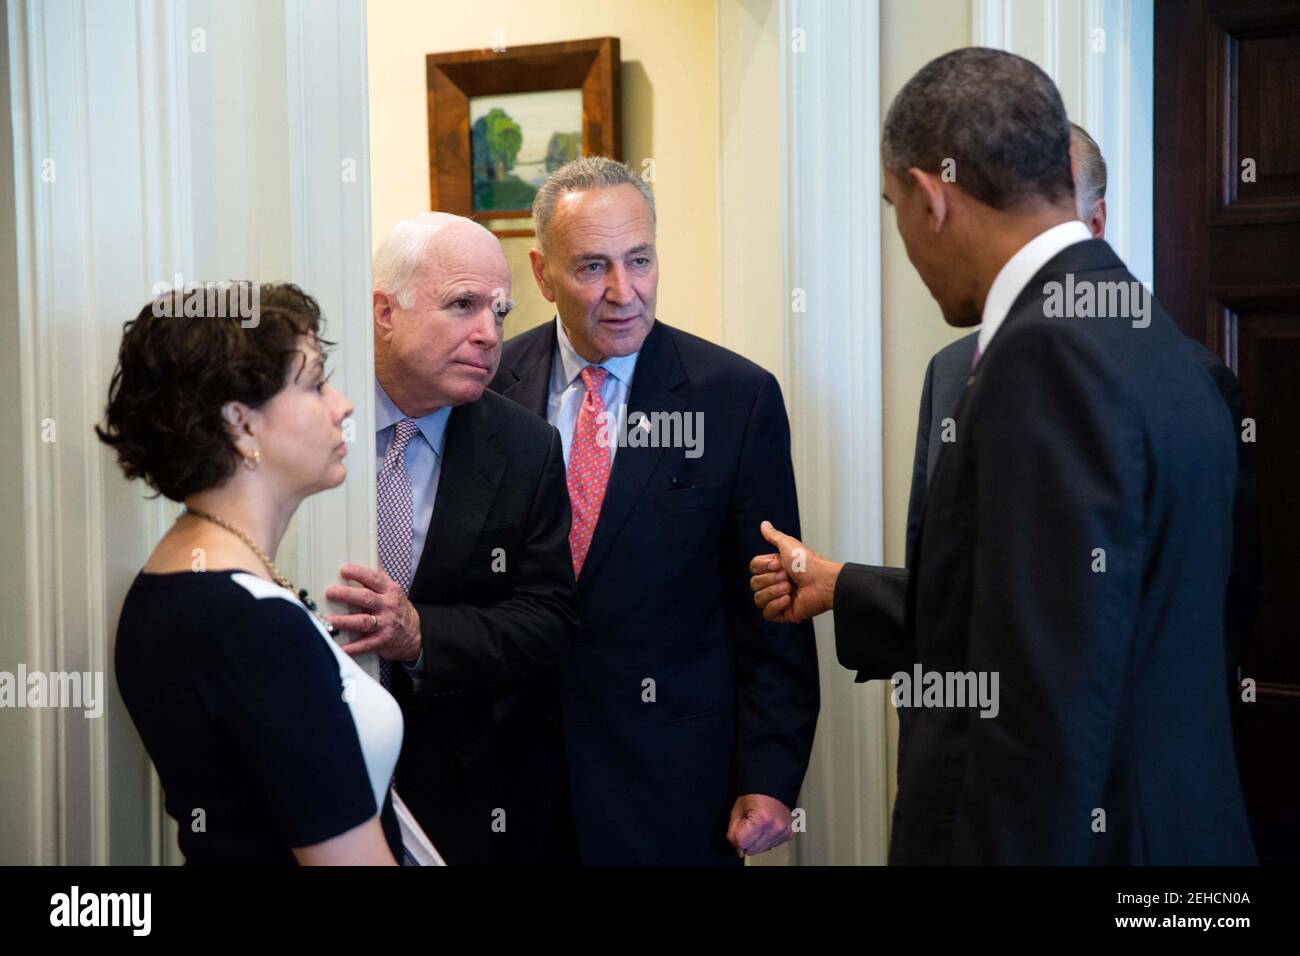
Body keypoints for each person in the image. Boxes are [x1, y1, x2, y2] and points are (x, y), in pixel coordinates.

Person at [750, 48, 1256, 864]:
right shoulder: (1150, 337)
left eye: (893, 207)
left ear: (929, 196)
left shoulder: (1042, 359)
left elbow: (1040, 711)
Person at [490, 157, 820, 864]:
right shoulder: (488, 391)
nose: (623, 292)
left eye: (639, 261)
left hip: (674, 792)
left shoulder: (734, 398)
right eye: (591, 268)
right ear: (542, 274)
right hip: (514, 787)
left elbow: (773, 612)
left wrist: (769, 777)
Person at [901, 124, 1259, 698]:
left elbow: (1212, 613)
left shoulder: (1195, 380)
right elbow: (939, 591)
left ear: (1095, 225)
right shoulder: (948, 371)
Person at [99, 282, 401, 865]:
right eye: (315, 384)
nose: (343, 404)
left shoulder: (175, 582)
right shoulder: (250, 624)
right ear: (240, 422)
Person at [325, 213, 580, 865]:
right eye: (463, 306)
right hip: (316, 772)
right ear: (385, 312)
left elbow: (548, 619)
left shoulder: (526, 446)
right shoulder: (310, 422)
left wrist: (421, 635)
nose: (489, 334)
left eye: (499, 311)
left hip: (469, 801)